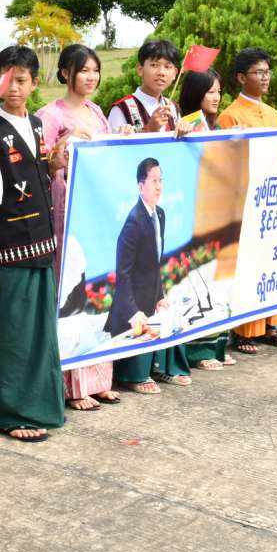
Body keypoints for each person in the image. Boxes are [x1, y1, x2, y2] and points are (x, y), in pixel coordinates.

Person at [0, 46, 66, 441]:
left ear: (34, 84)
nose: (14, 87)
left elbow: (33, 176)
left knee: (40, 335)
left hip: (41, 247)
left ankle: (41, 406)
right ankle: (12, 414)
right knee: (13, 337)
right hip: (10, 253)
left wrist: (52, 165)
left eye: (22, 80)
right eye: (7, 79)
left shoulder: (38, 127)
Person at [36, 44, 121, 406]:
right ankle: (74, 384)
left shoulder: (98, 112)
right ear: (65, 73)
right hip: (65, 207)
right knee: (72, 288)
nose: (91, 77)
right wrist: (65, 148)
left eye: (95, 70)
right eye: (83, 70)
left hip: (96, 211)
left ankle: (99, 376)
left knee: (98, 287)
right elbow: (44, 165)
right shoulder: (49, 115)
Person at [218, 49, 277, 351]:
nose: (265, 78)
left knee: (270, 262)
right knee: (249, 265)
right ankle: (246, 330)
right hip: (245, 200)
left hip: (271, 201)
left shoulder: (274, 114)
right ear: (240, 77)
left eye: (267, 72)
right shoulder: (230, 115)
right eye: (258, 72)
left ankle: (269, 324)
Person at [103, 158, 188, 389]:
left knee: (170, 314)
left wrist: (160, 295)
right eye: (153, 181)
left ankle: (162, 370)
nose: (159, 186)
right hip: (130, 300)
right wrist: (132, 311)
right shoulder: (133, 223)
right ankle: (133, 376)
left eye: (161, 181)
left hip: (150, 292)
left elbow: (155, 264)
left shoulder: (159, 214)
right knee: (142, 326)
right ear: (141, 186)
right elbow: (123, 275)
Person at [174, 69, 235, 370]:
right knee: (194, 284)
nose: (216, 96)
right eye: (210, 91)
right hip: (191, 214)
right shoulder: (184, 126)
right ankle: (196, 352)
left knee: (215, 282)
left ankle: (215, 347)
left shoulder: (215, 126)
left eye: (219, 91)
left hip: (216, 211)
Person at [107, 40, 181, 133]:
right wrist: (150, 129)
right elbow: (115, 146)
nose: (161, 72)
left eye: (167, 67)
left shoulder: (173, 107)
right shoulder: (122, 109)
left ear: (174, 73)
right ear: (140, 69)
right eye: (154, 65)